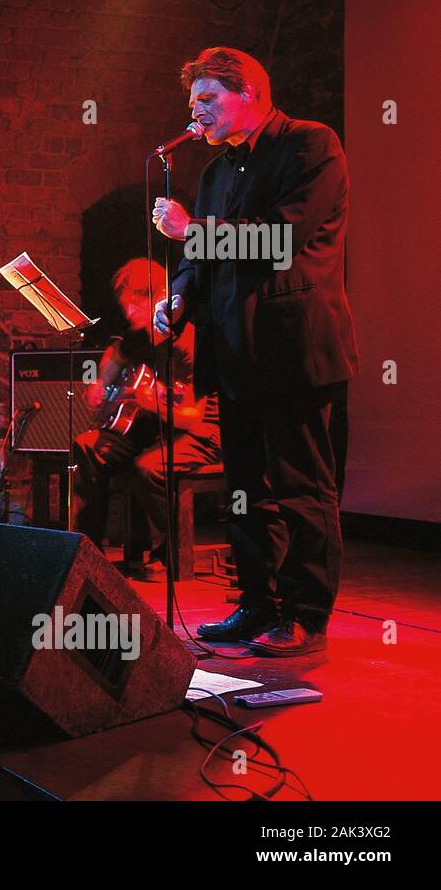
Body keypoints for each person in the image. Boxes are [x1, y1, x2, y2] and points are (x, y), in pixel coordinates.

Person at [153, 47, 358, 656]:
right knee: (247, 488)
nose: (197, 114)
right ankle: (256, 604)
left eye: (208, 99)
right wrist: (181, 297)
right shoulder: (217, 172)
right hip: (235, 349)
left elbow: (280, 240)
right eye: (193, 104)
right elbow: (203, 258)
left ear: (251, 94)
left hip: (292, 347)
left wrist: (191, 230)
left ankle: (305, 615)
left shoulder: (310, 145)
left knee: (300, 487)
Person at [72, 259, 221, 576]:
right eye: (125, 306)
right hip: (149, 431)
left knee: (149, 467)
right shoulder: (137, 340)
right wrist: (100, 385)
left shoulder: (187, 343)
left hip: (197, 434)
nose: (129, 313)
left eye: (136, 305)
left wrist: (154, 405)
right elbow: (113, 358)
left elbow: (194, 417)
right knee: (86, 446)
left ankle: (167, 555)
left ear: (159, 299)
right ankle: (87, 550)